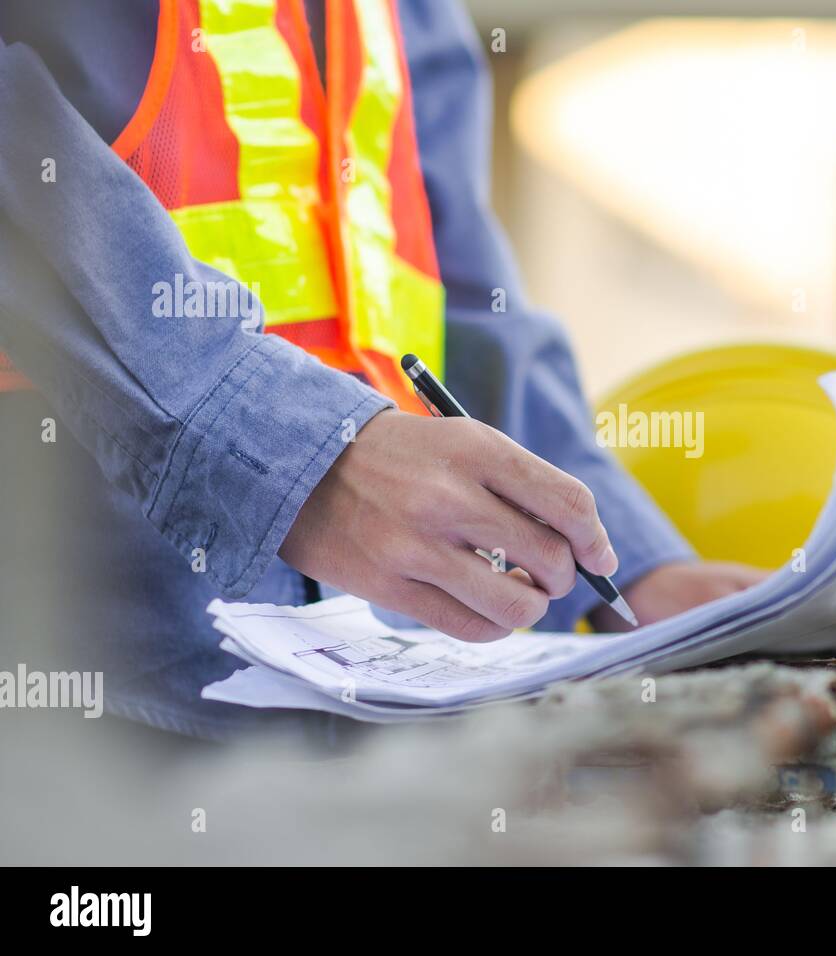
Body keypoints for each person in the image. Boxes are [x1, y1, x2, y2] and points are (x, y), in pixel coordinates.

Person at [0, 0, 764, 741]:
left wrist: (625, 574)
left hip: (381, 697)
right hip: (71, 686)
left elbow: (456, 290)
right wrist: (293, 458)